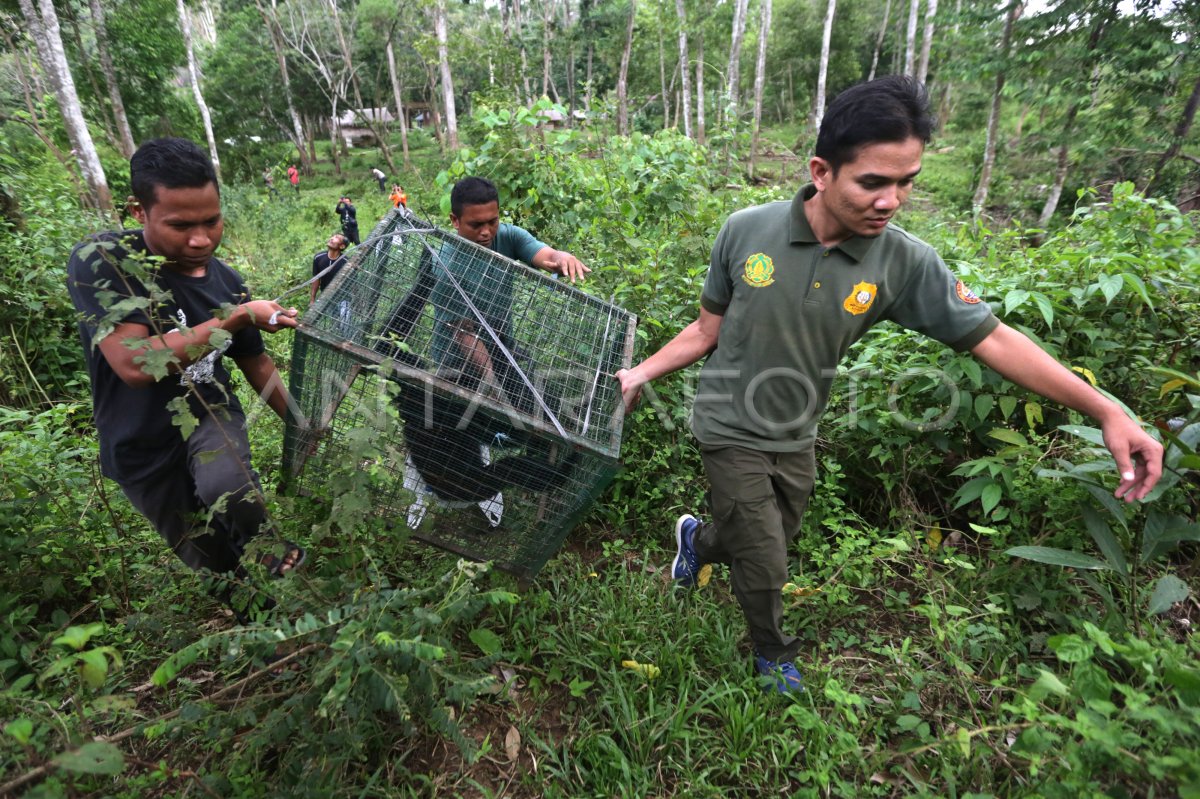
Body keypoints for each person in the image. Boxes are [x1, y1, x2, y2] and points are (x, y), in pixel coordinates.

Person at [615, 76, 1164, 694]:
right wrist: (641, 372)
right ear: (822, 171)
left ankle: (695, 540)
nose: (891, 200)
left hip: (797, 430)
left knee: (761, 536)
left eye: (907, 183)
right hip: (725, 421)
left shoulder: (902, 263)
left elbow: (995, 338)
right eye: (873, 182)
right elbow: (705, 328)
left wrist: (1104, 409)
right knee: (767, 557)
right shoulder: (745, 230)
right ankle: (772, 655)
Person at [66, 138, 304, 616]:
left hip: (207, 412)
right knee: (211, 560)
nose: (200, 240)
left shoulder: (228, 281)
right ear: (139, 211)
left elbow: (254, 363)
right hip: (140, 448)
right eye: (180, 225)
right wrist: (234, 318)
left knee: (228, 485)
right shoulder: (104, 260)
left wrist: (301, 422)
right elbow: (136, 364)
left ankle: (284, 568)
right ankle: (264, 632)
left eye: (211, 221)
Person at [309, 232, 350, 305]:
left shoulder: (346, 262)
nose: (332, 239)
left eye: (336, 238)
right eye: (332, 237)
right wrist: (312, 300)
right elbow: (316, 279)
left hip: (343, 299)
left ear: (342, 246)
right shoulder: (318, 258)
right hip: (326, 298)